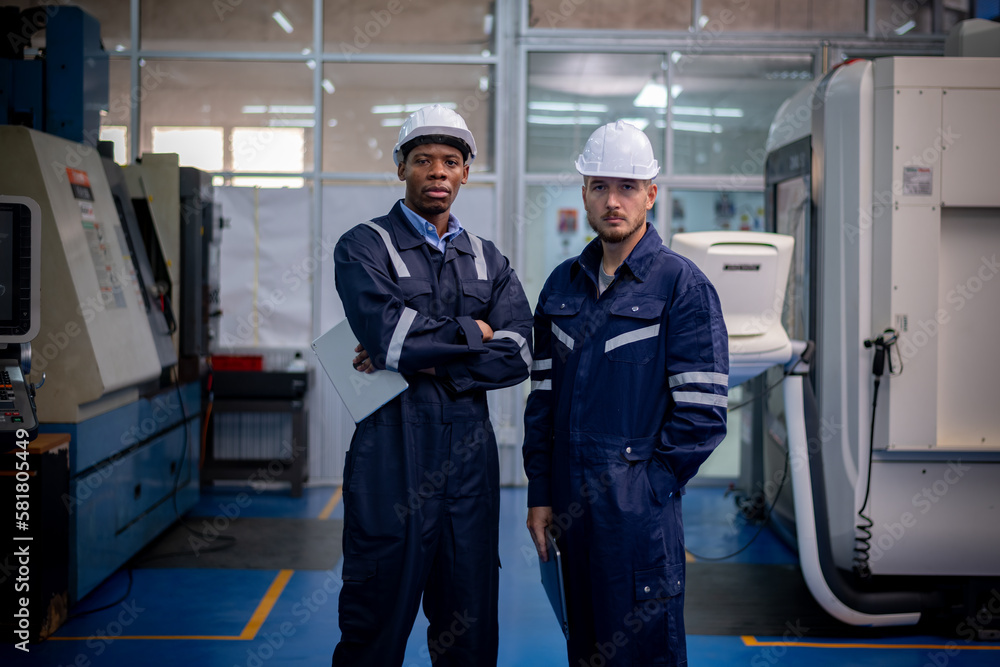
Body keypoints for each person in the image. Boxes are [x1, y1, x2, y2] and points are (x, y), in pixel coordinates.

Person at [331, 104, 533, 667]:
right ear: (401, 168)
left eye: (450, 161)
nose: (437, 171)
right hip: (389, 463)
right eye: (423, 160)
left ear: (466, 172)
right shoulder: (364, 246)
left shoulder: (490, 260)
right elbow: (390, 340)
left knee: (468, 633)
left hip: (469, 469)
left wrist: (422, 356)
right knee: (374, 626)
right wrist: (475, 331)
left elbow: (517, 353)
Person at [522, 120, 729, 667]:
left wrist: (644, 492)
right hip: (569, 510)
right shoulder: (561, 286)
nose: (612, 201)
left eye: (627, 187)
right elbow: (541, 401)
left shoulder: (683, 288)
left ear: (651, 195)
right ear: (584, 192)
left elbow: (703, 417)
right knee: (586, 650)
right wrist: (540, 493)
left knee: (643, 655)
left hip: (637, 523)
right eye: (599, 187)